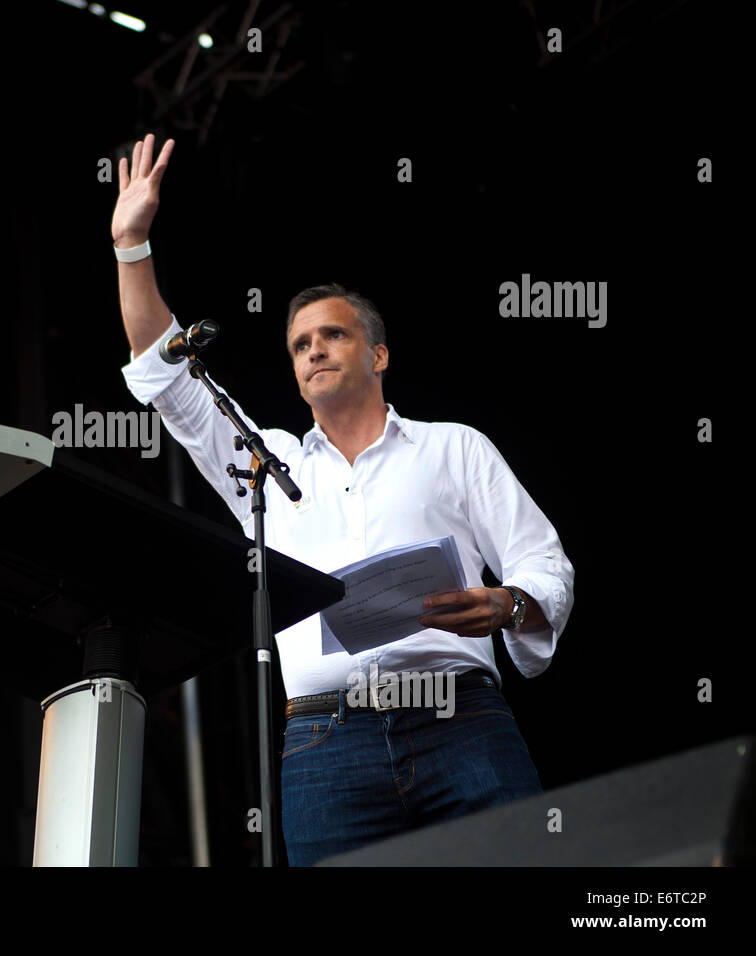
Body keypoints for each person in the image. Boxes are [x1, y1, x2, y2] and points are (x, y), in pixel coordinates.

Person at [112, 133, 575, 866]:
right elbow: (168, 378)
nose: (314, 350)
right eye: (299, 345)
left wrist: (509, 604)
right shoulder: (268, 464)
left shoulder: (454, 447)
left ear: (379, 354)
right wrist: (132, 245)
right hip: (328, 744)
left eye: (333, 334)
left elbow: (543, 560)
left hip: (461, 720)